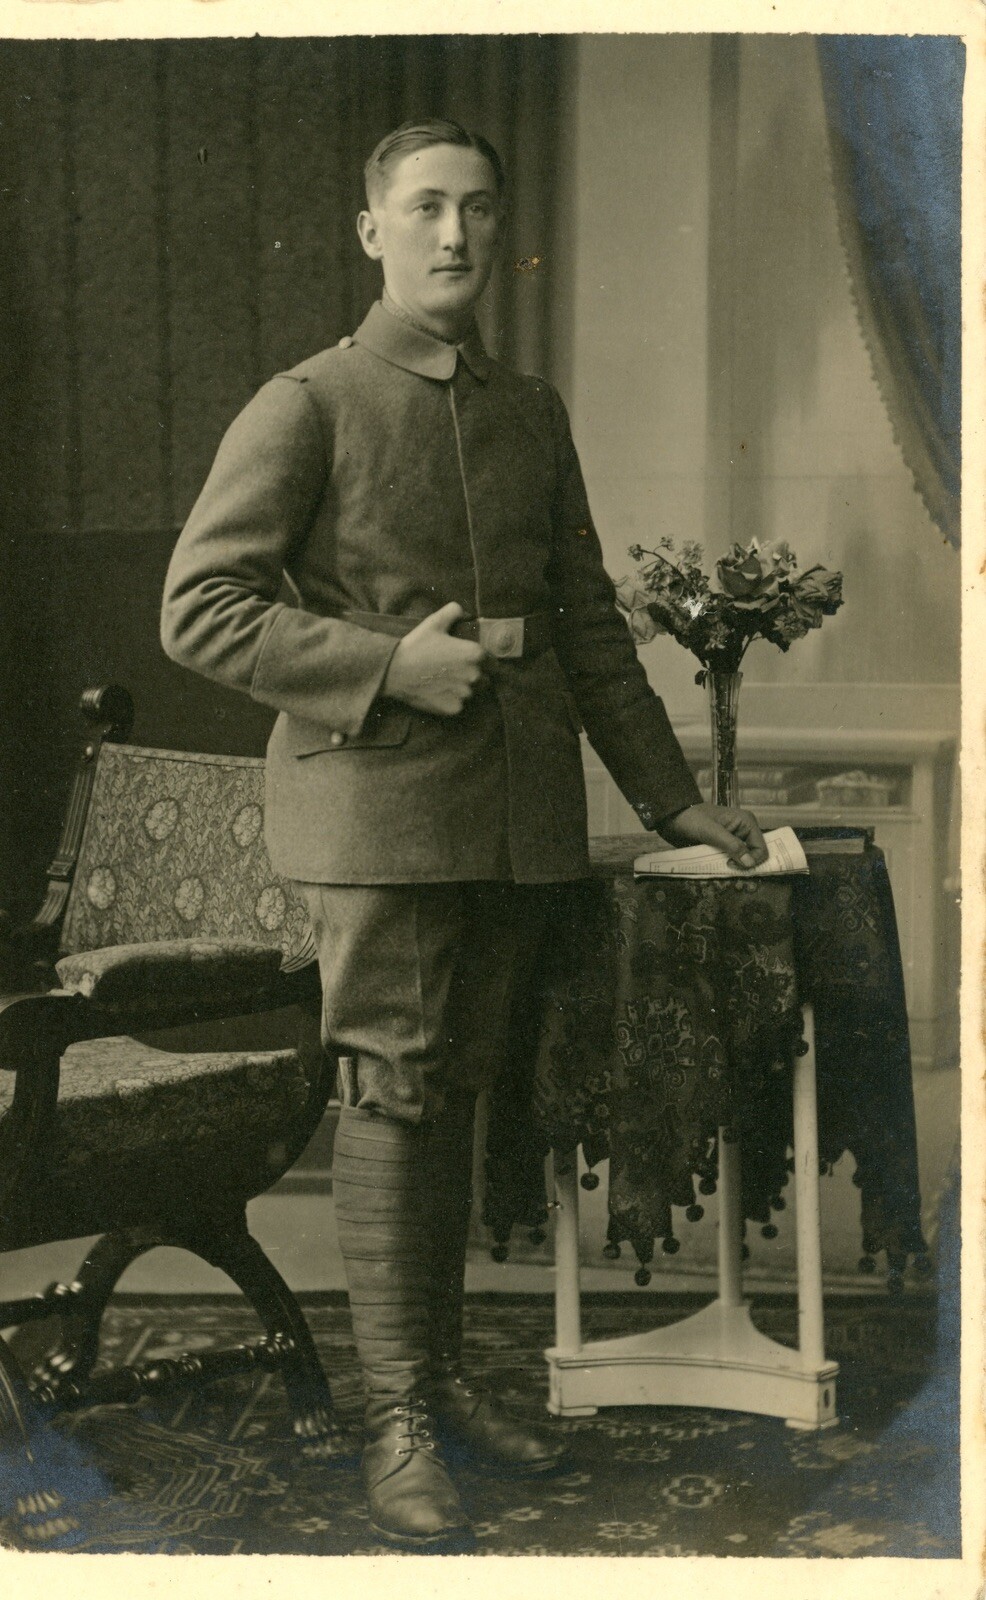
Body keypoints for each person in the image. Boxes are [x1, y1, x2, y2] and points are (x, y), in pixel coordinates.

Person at [160, 118, 767, 1552]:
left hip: (511, 822)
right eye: (425, 208)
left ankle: (429, 1386)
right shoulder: (304, 402)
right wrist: (386, 667)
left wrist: (672, 800)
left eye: (479, 211)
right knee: (396, 1100)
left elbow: (584, 625)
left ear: (504, 234)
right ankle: (395, 1422)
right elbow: (199, 608)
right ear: (369, 229)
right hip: (377, 817)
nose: (454, 235)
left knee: (457, 1100)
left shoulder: (526, 410)